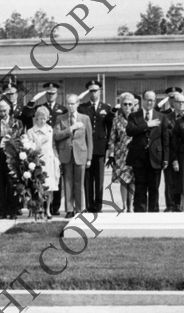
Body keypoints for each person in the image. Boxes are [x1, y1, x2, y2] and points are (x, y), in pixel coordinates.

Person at [22, 82, 66, 215]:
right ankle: (40, 208)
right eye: (48, 93)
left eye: (53, 93)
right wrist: (33, 99)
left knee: (54, 183)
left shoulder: (62, 109)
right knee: (40, 183)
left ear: (57, 94)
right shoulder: (39, 107)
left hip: (53, 149)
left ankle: (55, 207)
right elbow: (26, 113)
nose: (51, 95)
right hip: (39, 154)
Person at [125, 90, 168, 212]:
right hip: (139, 158)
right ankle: (140, 212)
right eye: (148, 99)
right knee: (140, 188)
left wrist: (165, 158)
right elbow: (130, 131)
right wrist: (147, 125)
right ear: (143, 100)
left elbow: (165, 139)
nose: (150, 102)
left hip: (156, 157)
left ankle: (154, 212)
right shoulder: (134, 116)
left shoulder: (161, 117)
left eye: (153, 100)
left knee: (154, 188)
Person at [54, 94, 93, 218]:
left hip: (80, 154)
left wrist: (89, 158)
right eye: (68, 103)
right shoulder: (60, 118)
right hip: (66, 154)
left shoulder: (85, 118)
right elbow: (56, 135)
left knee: (79, 182)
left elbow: (89, 139)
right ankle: (69, 209)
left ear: (77, 104)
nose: (70, 106)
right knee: (68, 182)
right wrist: (71, 128)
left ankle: (81, 208)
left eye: (72, 103)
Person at [79, 80, 113, 212]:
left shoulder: (106, 108)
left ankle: (98, 206)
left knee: (99, 178)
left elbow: (109, 129)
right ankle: (89, 205)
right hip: (85, 146)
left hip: (100, 147)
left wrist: (110, 148)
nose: (93, 93)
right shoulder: (82, 107)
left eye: (96, 90)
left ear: (100, 91)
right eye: (91, 90)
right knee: (87, 178)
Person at [0, 100, 24, 219]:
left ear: (9, 110)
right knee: (0, 186)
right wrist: (0, 134)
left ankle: (13, 212)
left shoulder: (17, 122)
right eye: (0, 111)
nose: (3, 113)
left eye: (5, 110)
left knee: (12, 185)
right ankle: (2, 212)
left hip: (12, 158)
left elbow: (20, 139)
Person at [25, 106, 60, 220]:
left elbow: (53, 146)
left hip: (49, 160)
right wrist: (40, 143)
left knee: (49, 187)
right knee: (38, 185)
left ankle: (48, 209)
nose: (43, 121)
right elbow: (30, 148)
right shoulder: (31, 131)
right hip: (37, 162)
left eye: (45, 118)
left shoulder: (50, 130)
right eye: (40, 118)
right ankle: (38, 209)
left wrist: (56, 159)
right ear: (36, 119)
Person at [107, 92, 136, 212]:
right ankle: (124, 205)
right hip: (121, 154)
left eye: (130, 104)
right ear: (121, 105)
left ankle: (131, 206)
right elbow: (112, 138)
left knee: (133, 180)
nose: (127, 107)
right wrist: (111, 154)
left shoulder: (137, 119)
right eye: (125, 104)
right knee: (124, 181)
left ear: (133, 105)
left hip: (134, 153)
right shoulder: (116, 119)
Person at [161, 87, 184, 212]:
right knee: (170, 181)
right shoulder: (166, 117)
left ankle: (181, 205)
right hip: (170, 153)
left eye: (182, 102)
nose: (180, 104)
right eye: (177, 102)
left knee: (183, 180)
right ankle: (170, 205)